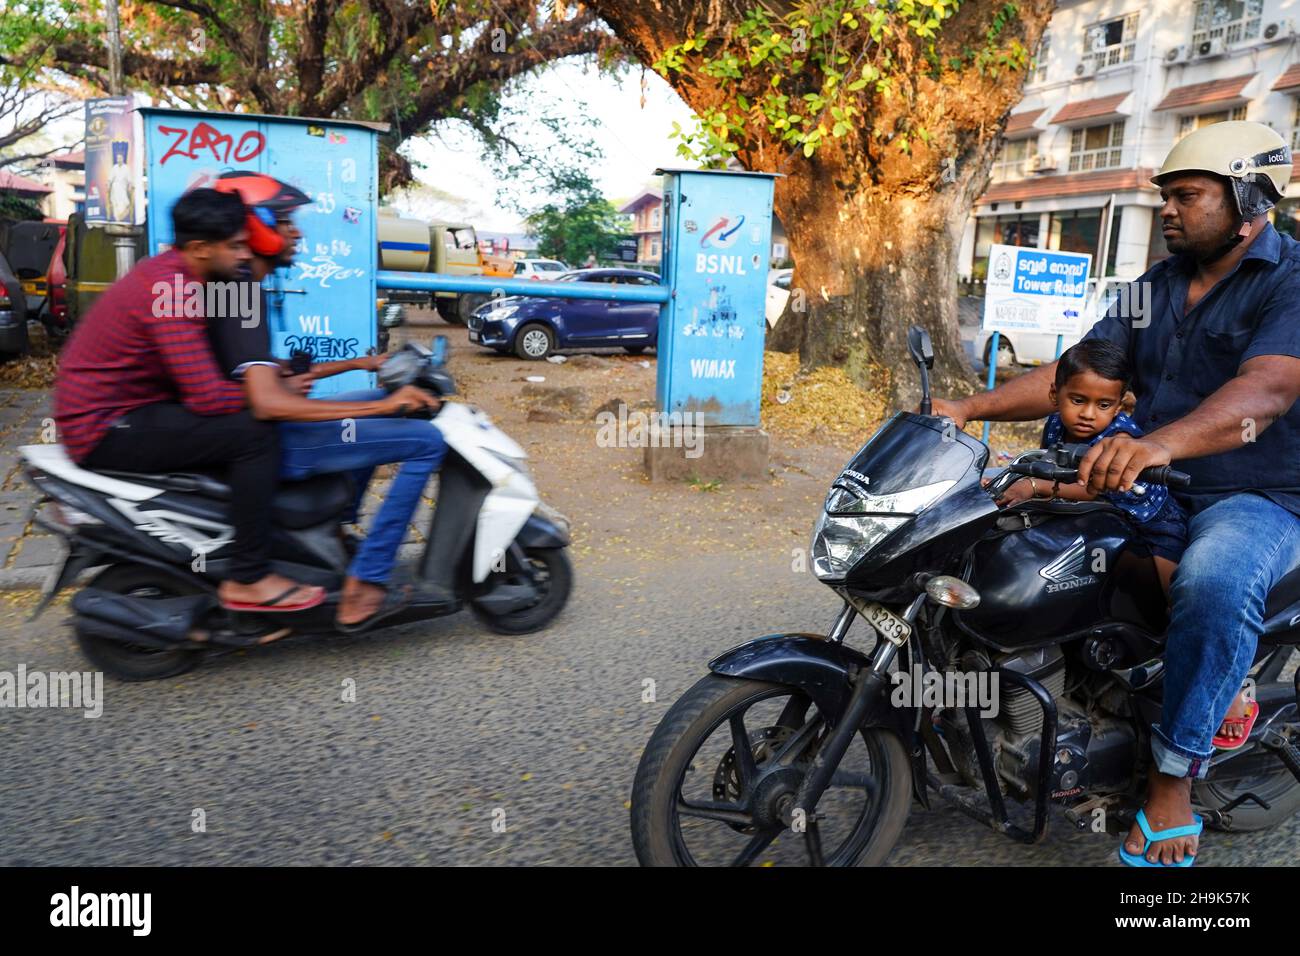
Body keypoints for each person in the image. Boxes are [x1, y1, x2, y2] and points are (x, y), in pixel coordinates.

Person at [932, 121, 1300, 866]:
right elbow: (1078, 375)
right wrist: (964, 410)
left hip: (1251, 492)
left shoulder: (1291, 280)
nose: (1168, 209)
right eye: (1165, 196)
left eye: (1188, 195)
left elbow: (1267, 388)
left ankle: (1172, 787)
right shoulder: (1155, 287)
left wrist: (1159, 442)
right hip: (1144, 478)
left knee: (1217, 582)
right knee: (1002, 523)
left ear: (1248, 198)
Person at [53, 188, 325, 613]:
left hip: (132, 408)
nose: (243, 254)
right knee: (254, 434)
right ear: (199, 248)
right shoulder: (173, 290)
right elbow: (208, 397)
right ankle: (249, 577)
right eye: (235, 245)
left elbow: (214, 362)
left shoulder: (191, 277)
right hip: (105, 426)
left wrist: (275, 372)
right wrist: (274, 393)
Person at [205, 172, 451, 631]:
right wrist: (381, 408)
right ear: (255, 227)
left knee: (376, 400)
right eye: (284, 222)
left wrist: (357, 365)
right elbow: (266, 402)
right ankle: (369, 579)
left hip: (260, 430)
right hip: (273, 439)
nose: (296, 232)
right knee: (424, 439)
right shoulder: (240, 294)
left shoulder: (237, 287)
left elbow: (257, 370)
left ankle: (335, 531)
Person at [995, 339, 1188, 596]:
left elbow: (1091, 489)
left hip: (1152, 525)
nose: (1088, 414)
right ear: (1055, 395)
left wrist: (1033, 486)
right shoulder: (1055, 423)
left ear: (1119, 406)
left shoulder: (1119, 440)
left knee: (1169, 600)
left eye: (1103, 405)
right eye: (1077, 400)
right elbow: (1047, 462)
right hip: (1092, 517)